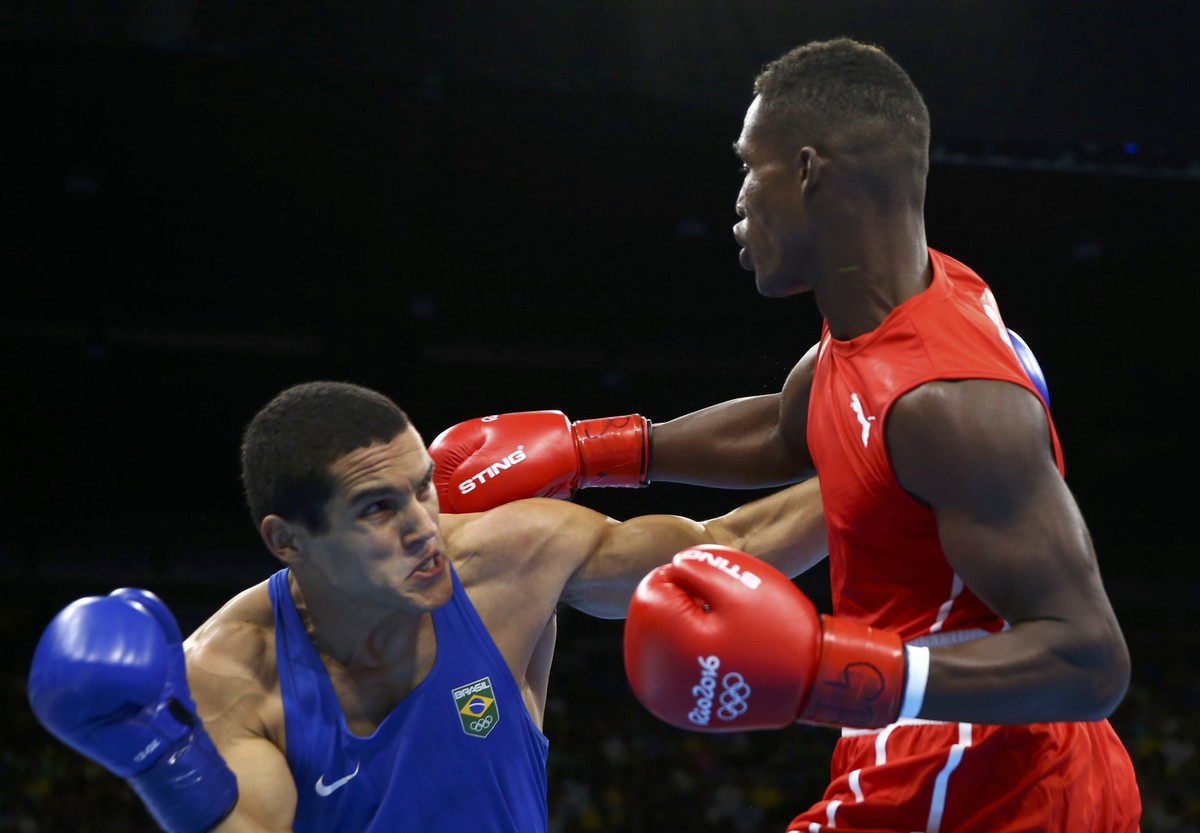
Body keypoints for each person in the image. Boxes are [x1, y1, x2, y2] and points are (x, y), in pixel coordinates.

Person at [429, 37, 1142, 832]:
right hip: (953, 757)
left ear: (806, 171)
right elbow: (784, 425)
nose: (738, 199)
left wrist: (831, 670)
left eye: (748, 166)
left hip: (986, 773)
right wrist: (591, 450)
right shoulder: (884, 319)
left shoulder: (950, 401)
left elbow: (1090, 660)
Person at [27, 380, 829, 833]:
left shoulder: (507, 561)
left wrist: (873, 462)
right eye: (377, 508)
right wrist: (166, 768)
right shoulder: (230, 675)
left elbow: (726, 548)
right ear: (287, 539)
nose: (422, 527)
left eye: (422, 488)